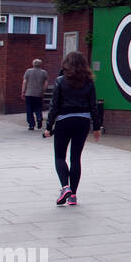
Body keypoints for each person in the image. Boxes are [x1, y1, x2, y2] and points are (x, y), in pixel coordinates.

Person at [43, 51, 102, 207]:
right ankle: (73, 195)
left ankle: (65, 187)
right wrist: (96, 127)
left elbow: (54, 105)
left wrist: (48, 127)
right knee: (76, 158)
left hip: (64, 121)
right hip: (83, 121)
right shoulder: (89, 82)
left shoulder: (60, 81)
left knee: (60, 157)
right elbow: (93, 106)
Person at [23, 58, 49, 130]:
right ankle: (39, 118)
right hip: (39, 93)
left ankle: (31, 124)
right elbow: (46, 83)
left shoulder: (28, 71)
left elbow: (25, 82)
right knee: (38, 107)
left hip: (29, 93)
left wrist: (23, 91)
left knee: (29, 109)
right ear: (40, 64)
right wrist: (43, 91)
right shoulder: (44, 72)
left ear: (33, 64)